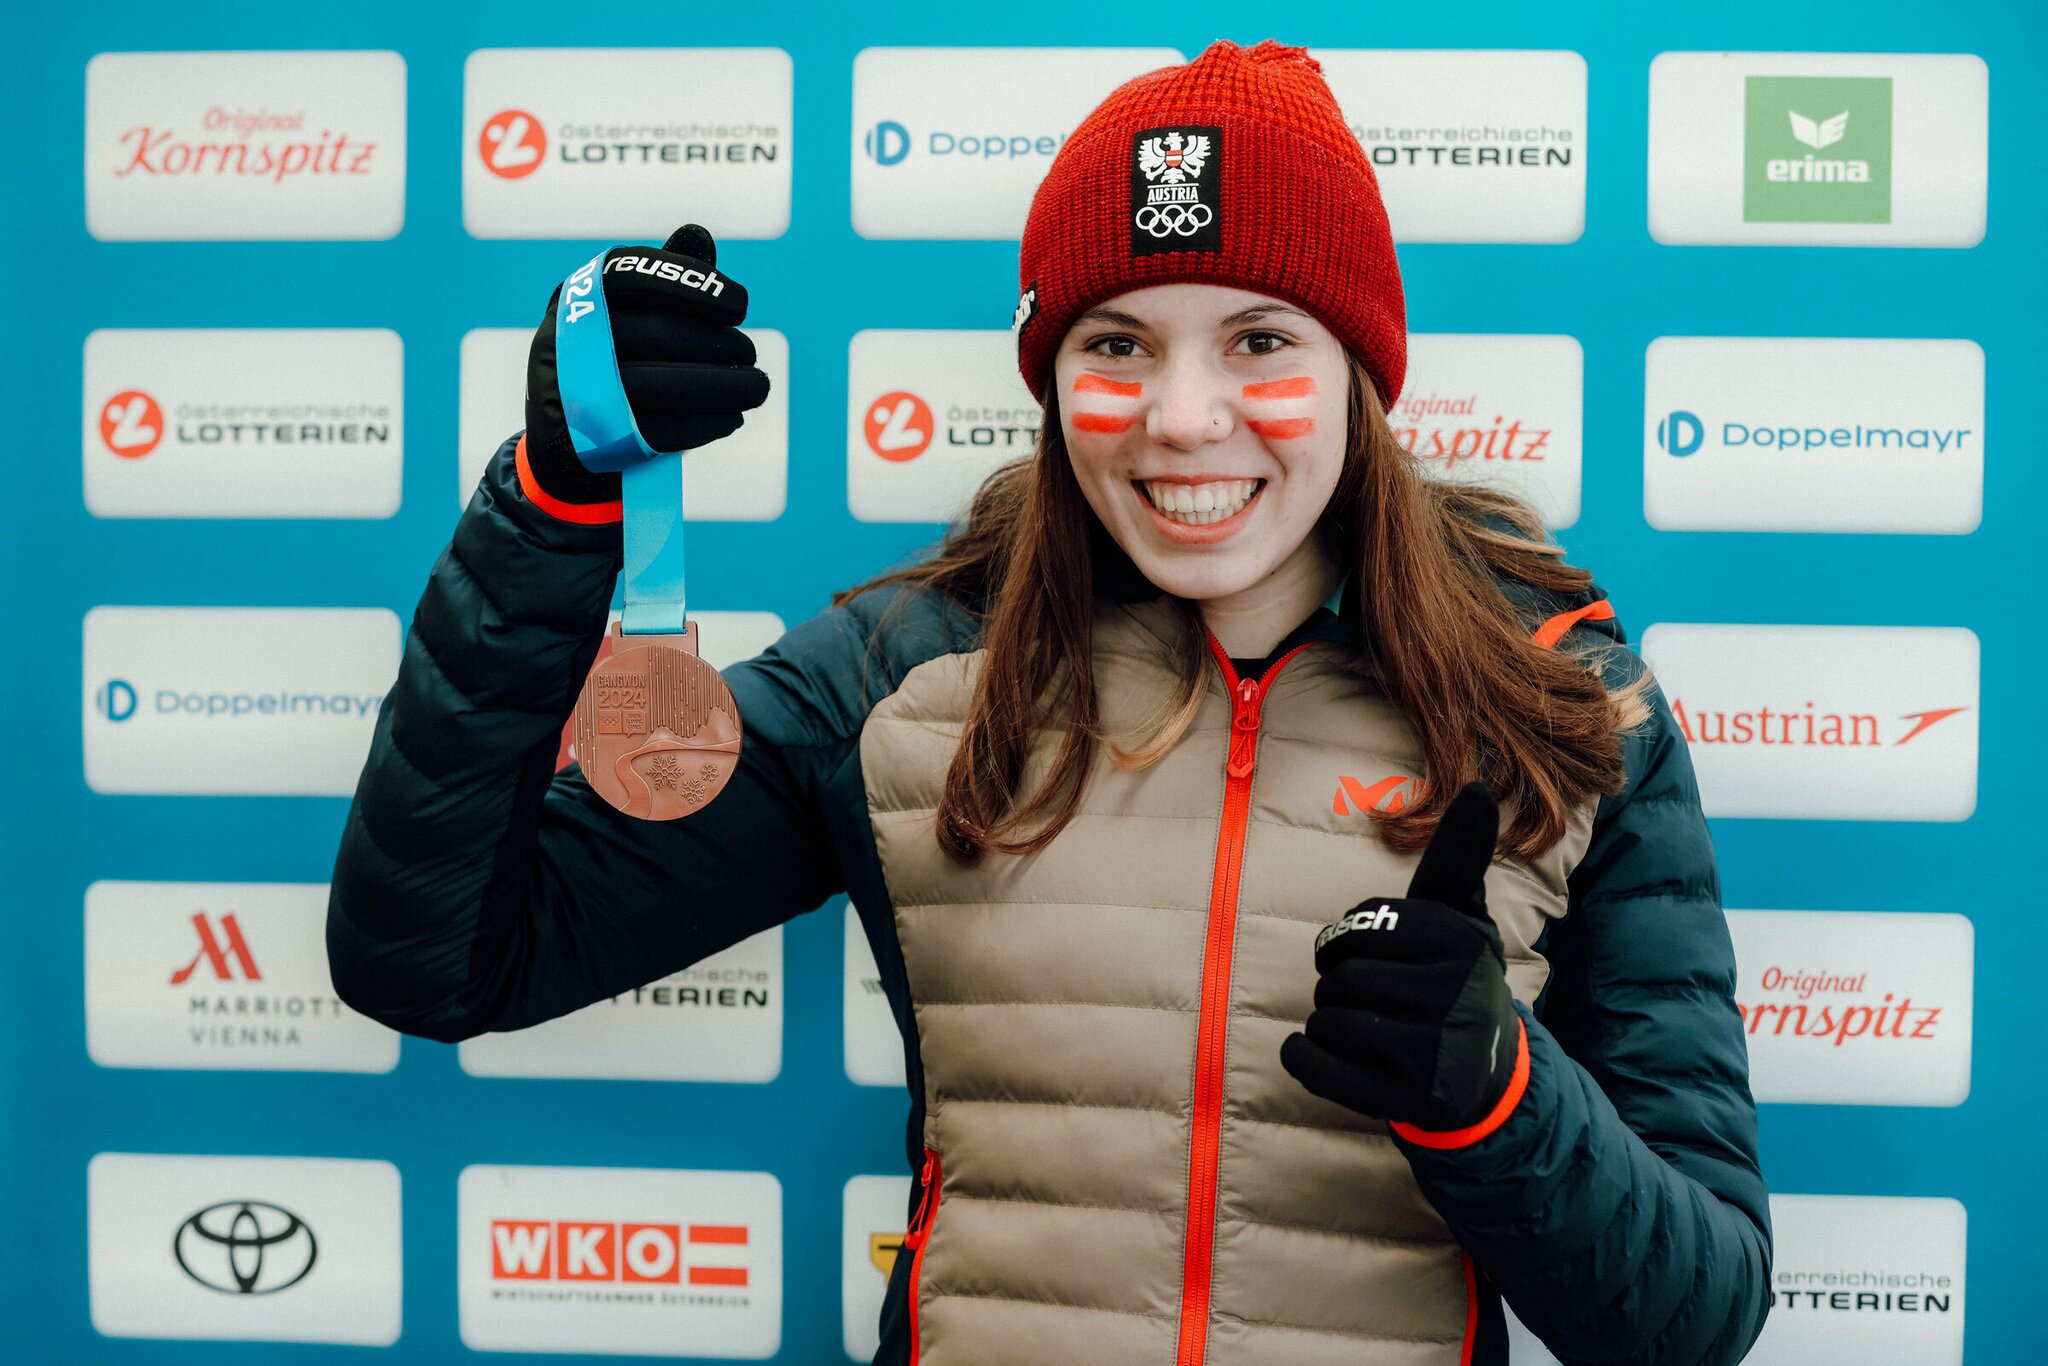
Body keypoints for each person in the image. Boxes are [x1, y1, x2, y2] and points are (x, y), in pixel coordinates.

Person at [328, 38, 1770, 1366]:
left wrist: (1499, 1101)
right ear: (1050, 371)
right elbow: (444, 956)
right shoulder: (905, 676)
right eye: (1117, 343)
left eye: (1261, 339)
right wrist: (557, 501)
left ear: (1357, 371)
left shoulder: (1564, 700)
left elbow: (1697, 1314)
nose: (1184, 416)